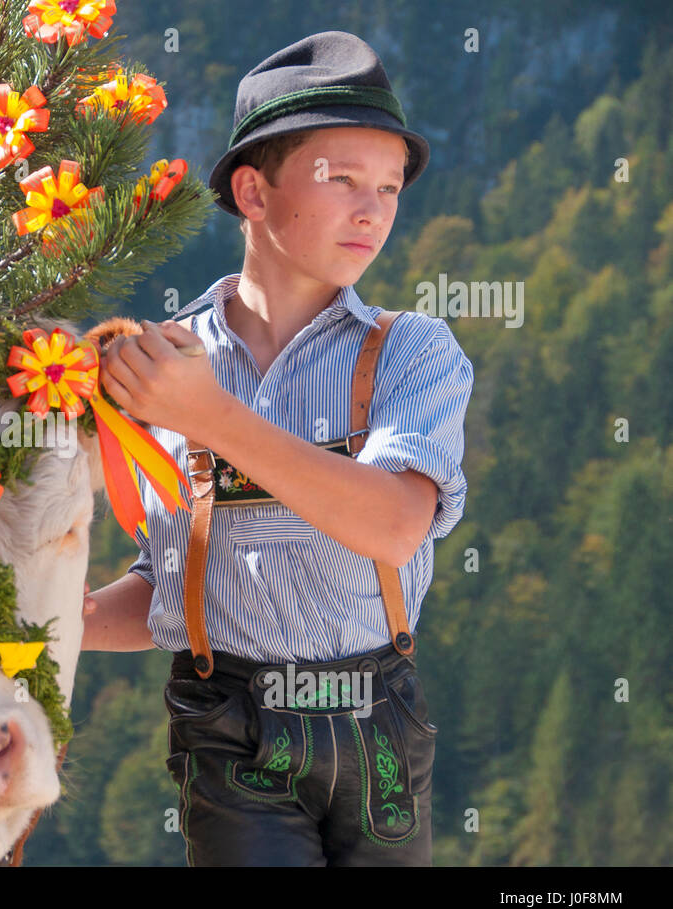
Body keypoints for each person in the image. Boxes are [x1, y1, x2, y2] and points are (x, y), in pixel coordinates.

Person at [81, 30, 474, 866]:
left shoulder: (413, 352)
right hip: (229, 727)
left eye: (390, 188)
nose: (372, 209)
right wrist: (57, 623)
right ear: (254, 192)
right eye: (340, 180)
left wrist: (211, 418)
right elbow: (174, 584)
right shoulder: (159, 367)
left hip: (379, 722)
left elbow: (396, 524)